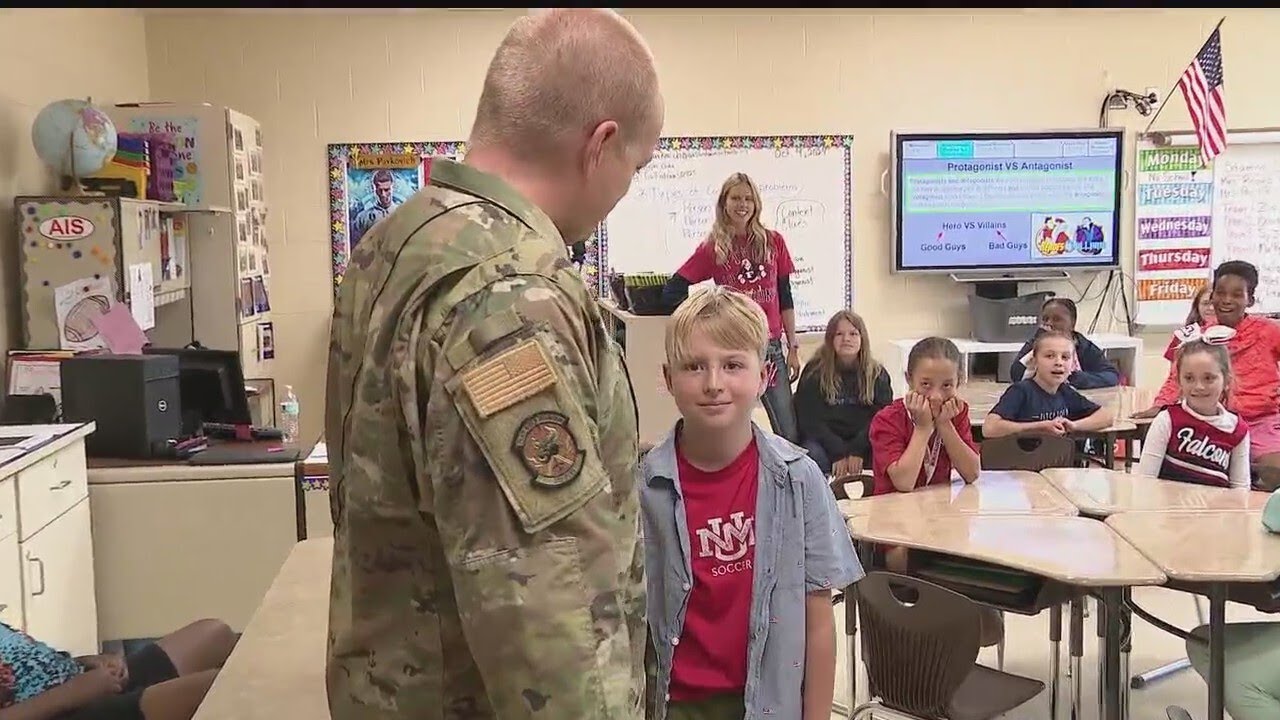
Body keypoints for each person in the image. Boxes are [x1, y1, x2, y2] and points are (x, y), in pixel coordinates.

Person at [323, 9, 664, 719]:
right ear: (600, 144)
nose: (626, 189)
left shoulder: (396, 241)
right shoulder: (512, 297)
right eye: (636, 166)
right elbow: (549, 614)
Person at [639, 285, 863, 720]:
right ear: (668, 379)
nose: (713, 383)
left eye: (732, 365)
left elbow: (819, 622)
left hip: (769, 705)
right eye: (694, 366)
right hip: (674, 706)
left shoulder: (800, 481)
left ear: (765, 376)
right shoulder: (643, 487)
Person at [659, 173, 802, 443]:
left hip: (770, 348)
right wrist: (705, 325)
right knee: (732, 424)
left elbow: (785, 297)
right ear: (724, 203)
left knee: (788, 429)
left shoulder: (773, 242)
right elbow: (673, 289)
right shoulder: (715, 247)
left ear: (756, 204)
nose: (742, 204)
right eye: (736, 198)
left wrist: (793, 347)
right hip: (734, 348)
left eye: (748, 199)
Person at [0, 618, 236, 720]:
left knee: (215, 633)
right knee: (215, 690)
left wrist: (90, 661)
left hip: (79, 685)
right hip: (57, 712)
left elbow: (26, 661)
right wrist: (71, 693)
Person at [1134, 326, 1251, 488]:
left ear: (1226, 381)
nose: (1199, 387)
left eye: (1208, 378)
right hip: (1168, 503)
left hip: (1217, 504)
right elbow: (1145, 481)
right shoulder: (1167, 420)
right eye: (1189, 378)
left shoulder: (1238, 430)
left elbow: (1241, 488)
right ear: (1179, 381)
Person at [868, 337, 981, 497]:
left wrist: (945, 425)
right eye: (926, 384)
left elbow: (972, 474)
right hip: (894, 508)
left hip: (937, 507)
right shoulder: (887, 419)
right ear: (909, 380)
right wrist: (923, 428)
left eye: (947, 385)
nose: (936, 396)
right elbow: (904, 483)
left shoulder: (955, 412)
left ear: (959, 382)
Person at [1201, 261, 1280, 490]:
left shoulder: (1269, 330)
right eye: (1220, 293)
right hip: (1213, 421)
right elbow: (1174, 379)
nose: (1227, 300)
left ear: (1250, 300)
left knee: (1275, 471)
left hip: (1261, 422)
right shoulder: (1198, 337)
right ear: (1212, 296)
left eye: (1237, 295)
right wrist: (1159, 405)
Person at [793, 310, 892, 477]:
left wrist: (857, 450)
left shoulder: (878, 374)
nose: (846, 339)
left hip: (863, 441)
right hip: (825, 443)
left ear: (862, 339)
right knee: (810, 456)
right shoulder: (814, 372)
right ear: (830, 339)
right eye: (839, 334)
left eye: (853, 334)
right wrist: (837, 452)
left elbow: (882, 417)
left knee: (886, 451)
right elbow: (809, 420)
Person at [983, 330, 1115, 439]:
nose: (1059, 362)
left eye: (1065, 357)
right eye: (1050, 356)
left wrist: (1074, 425)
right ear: (1034, 361)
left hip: (1057, 460)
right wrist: (1037, 427)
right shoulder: (1021, 391)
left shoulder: (1066, 392)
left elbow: (1106, 417)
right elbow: (989, 428)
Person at [1133, 285, 1215, 419]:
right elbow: (1174, 378)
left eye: (1214, 303)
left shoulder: (1232, 335)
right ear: (1197, 306)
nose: (1210, 308)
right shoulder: (1183, 336)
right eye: (1206, 303)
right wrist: (1159, 406)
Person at [1008, 297, 1121, 389]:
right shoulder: (1036, 342)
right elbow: (1016, 374)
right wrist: (1036, 345)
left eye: (1057, 319)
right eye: (1045, 319)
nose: (1049, 323)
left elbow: (1111, 376)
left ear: (1073, 323)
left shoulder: (1083, 346)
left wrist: (1081, 379)